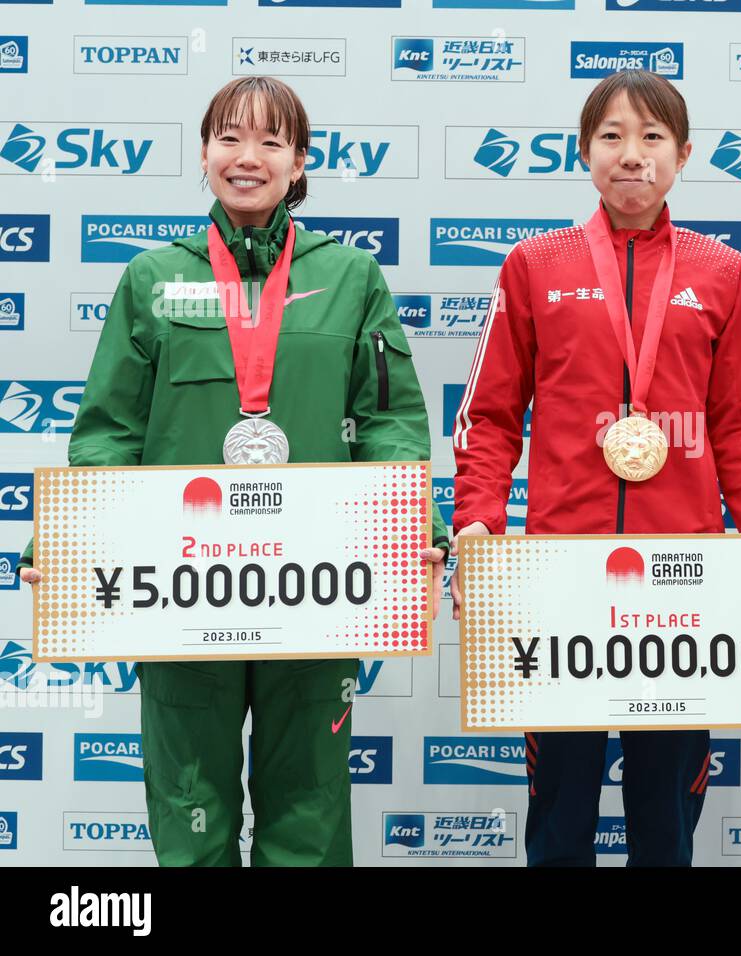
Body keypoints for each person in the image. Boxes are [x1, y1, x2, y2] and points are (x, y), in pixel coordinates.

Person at [19, 77, 446, 866]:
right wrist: (68, 538)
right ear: (204, 153)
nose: (247, 158)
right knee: (190, 803)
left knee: (310, 806)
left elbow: (389, 420)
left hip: (315, 583)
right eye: (229, 138)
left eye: (271, 142)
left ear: (300, 163)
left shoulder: (352, 278)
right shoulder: (153, 278)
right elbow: (110, 431)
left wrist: (414, 520)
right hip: (183, 583)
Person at [450, 69, 741, 866]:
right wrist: (477, 524)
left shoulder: (721, 271)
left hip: (685, 580)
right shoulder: (533, 265)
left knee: (667, 819)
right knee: (560, 809)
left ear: (683, 155)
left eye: (651, 138)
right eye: (611, 137)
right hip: (560, 576)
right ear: (582, 152)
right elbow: (490, 416)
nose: (631, 155)